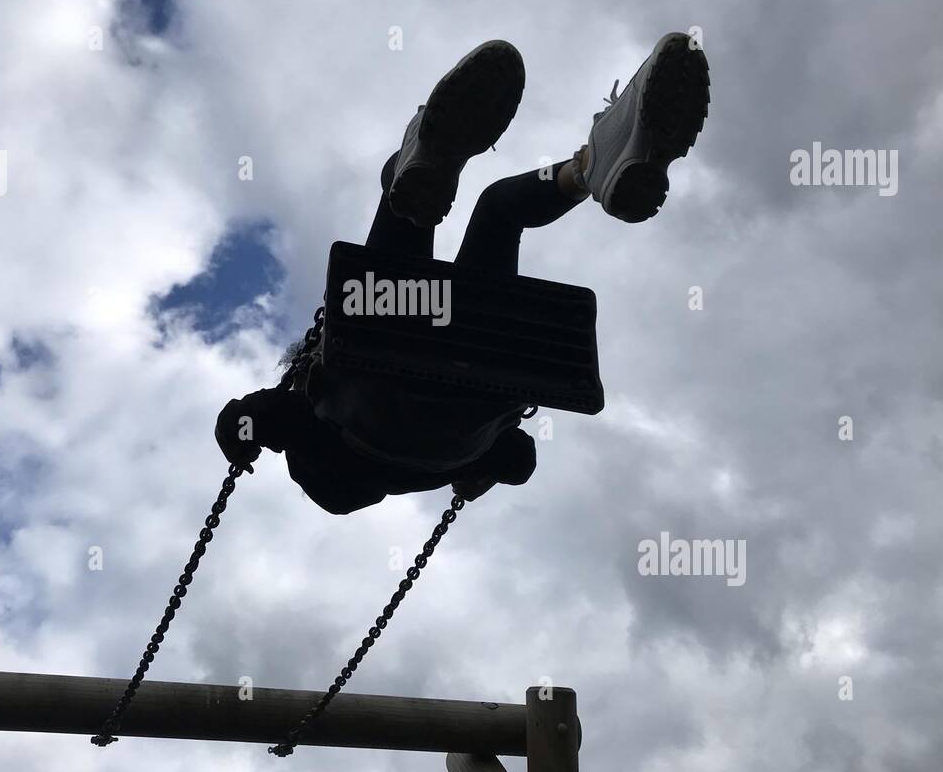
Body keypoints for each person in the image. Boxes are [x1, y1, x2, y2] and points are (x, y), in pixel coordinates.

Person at [215, 34, 710, 514]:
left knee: (495, 214)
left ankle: (579, 168)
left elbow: (519, 461)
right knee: (423, 231)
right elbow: (258, 418)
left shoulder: (428, 461)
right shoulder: (330, 425)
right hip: (390, 347)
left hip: (472, 391)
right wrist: (239, 428)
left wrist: (479, 471)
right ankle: (555, 170)